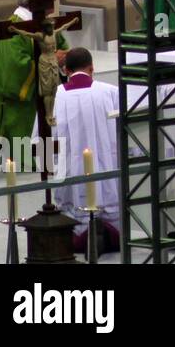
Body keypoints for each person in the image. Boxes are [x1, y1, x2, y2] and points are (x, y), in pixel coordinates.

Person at [0, 0, 69, 145]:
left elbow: (65, 52)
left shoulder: (48, 25)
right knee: (18, 165)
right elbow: (14, 73)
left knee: (49, 157)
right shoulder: (13, 29)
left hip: (47, 105)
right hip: (18, 113)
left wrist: (65, 60)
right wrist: (53, 61)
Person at [52, 48, 121, 253]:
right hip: (106, 173)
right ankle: (106, 229)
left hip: (72, 173)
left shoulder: (56, 97)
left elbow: (43, 140)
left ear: (65, 70)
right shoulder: (110, 92)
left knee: (71, 208)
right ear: (92, 68)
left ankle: (82, 232)